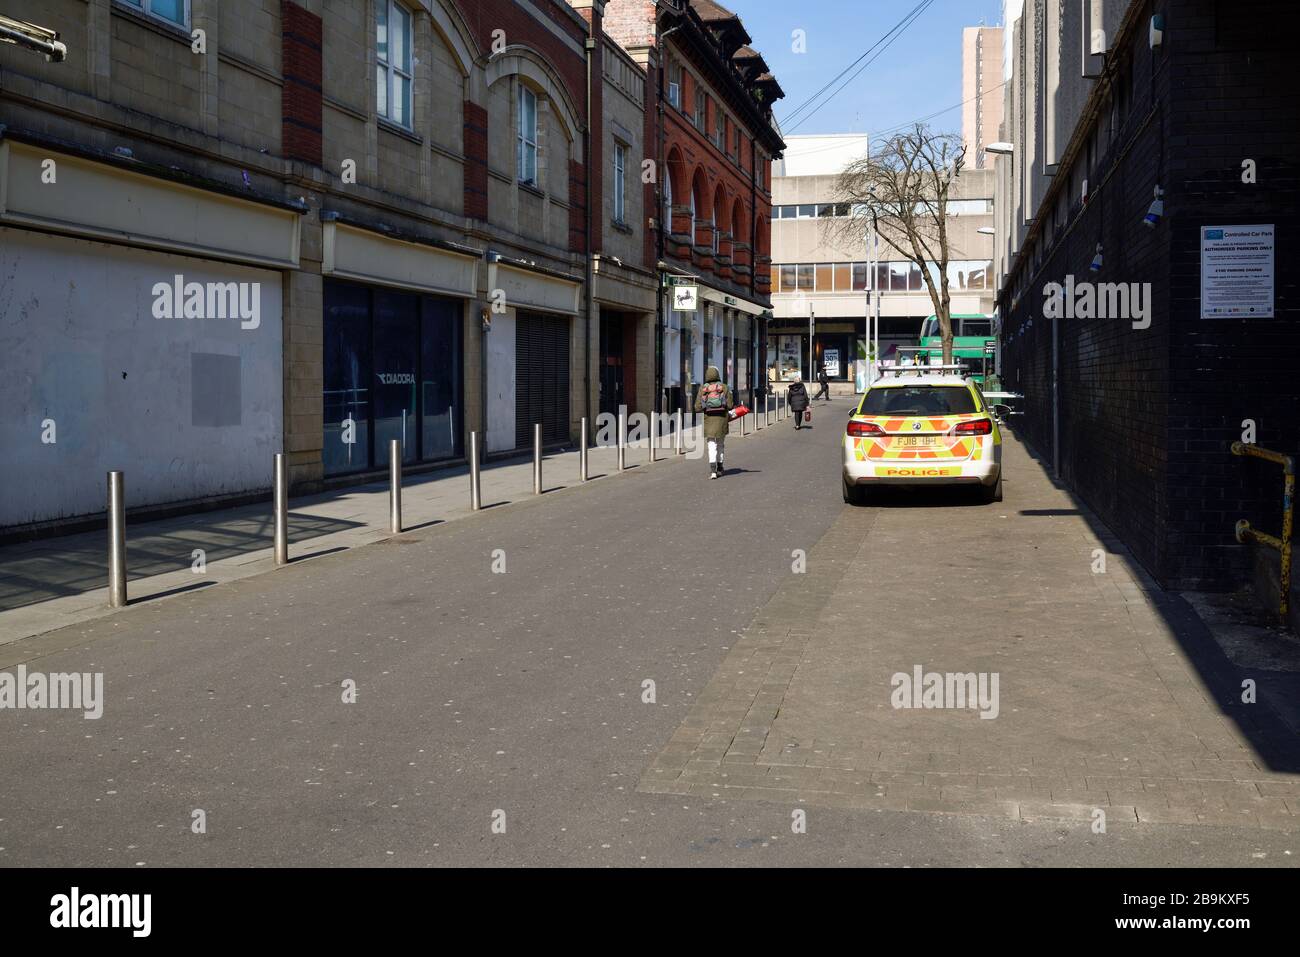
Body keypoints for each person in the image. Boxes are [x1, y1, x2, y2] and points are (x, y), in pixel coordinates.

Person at [694, 365, 733, 479]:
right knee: (720, 444)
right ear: (718, 375)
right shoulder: (724, 387)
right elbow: (730, 405)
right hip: (722, 420)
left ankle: (713, 471)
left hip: (709, 421)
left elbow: (697, 407)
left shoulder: (703, 389)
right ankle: (720, 468)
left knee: (711, 445)